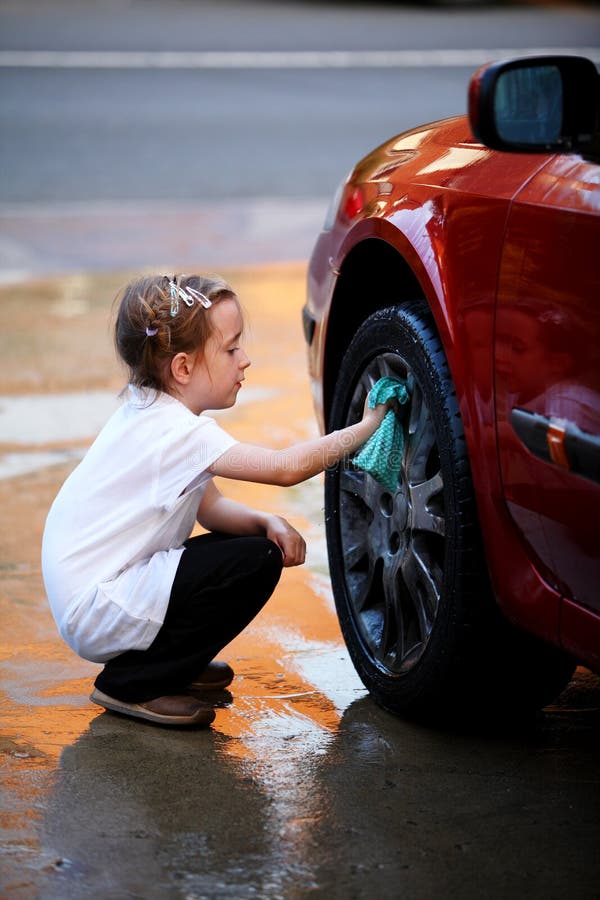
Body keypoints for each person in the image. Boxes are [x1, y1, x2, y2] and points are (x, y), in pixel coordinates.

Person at [41, 273, 388, 728]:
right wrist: (366, 427)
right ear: (183, 368)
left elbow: (209, 507)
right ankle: (135, 683)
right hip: (100, 605)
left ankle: (171, 660)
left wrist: (265, 521)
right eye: (231, 349)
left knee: (244, 547)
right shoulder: (177, 432)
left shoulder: (149, 409)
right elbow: (285, 468)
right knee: (254, 563)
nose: (245, 360)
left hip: (95, 594)